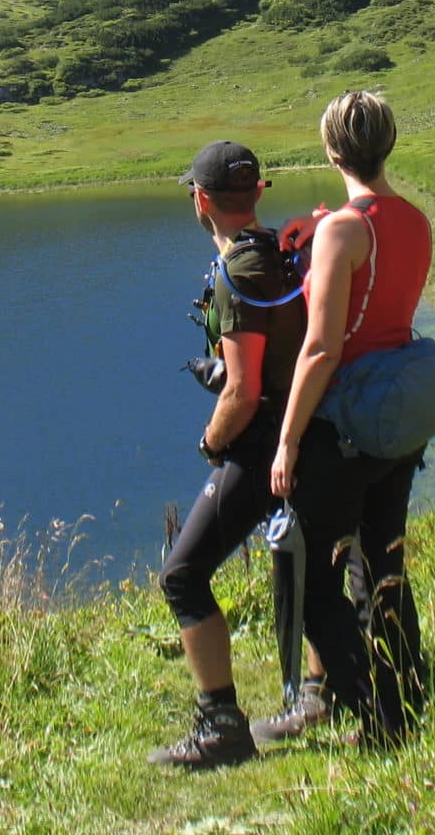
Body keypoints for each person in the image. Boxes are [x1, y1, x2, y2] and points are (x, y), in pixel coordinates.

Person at [268, 91, 433, 748]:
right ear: (387, 144)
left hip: (345, 421)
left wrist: (286, 439)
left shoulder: (340, 228)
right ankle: (404, 705)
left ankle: (369, 711)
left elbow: (322, 347)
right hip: (399, 412)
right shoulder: (415, 220)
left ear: (331, 151)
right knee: (381, 563)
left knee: (310, 580)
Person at [149, 140, 318, 770]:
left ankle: (220, 724)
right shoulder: (286, 252)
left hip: (260, 444)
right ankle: (321, 693)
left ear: (199, 200)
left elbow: (245, 392)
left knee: (183, 575)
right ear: (258, 194)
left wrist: (211, 442)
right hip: (308, 431)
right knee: (313, 559)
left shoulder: (234, 273)